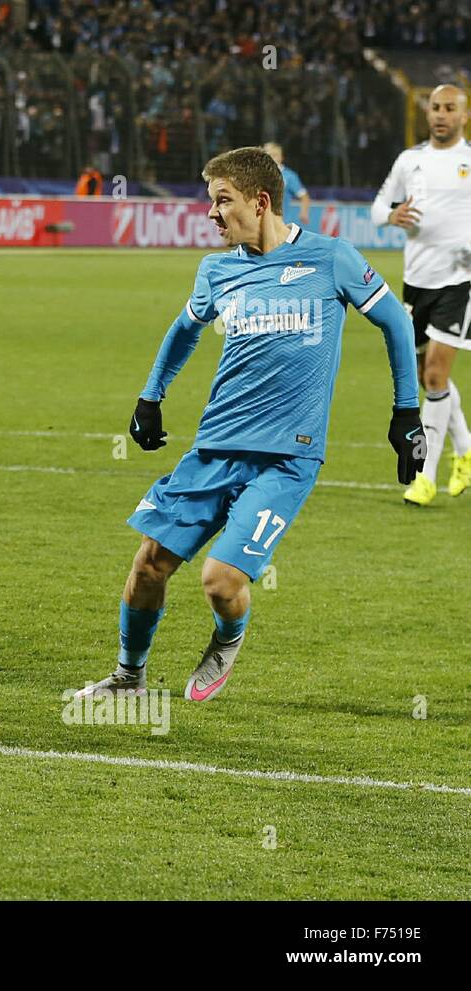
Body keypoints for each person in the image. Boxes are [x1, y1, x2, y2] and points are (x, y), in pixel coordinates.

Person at [78, 147, 422, 702]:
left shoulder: (331, 258)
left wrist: (407, 412)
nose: (211, 214)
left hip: (286, 458)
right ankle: (127, 679)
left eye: (222, 201)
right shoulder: (217, 268)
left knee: (220, 581)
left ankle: (227, 636)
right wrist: (151, 397)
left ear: (260, 202)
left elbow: (395, 323)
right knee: (148, 566)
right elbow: (183, 330)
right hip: (215, 448)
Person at [371, 83, 471, 505]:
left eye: (450, 108)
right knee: (431, 378)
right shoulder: (409, 161)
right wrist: (391, 214)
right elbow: (377, 210)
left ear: (464, 116)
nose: (441, 115)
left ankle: (425, 475)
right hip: (417, 283)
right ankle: (465, 451)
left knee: (433, 375)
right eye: (434, 107)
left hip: (461, 282)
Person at [263, 142, 311, 227]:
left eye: (274, 155)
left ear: (281, 157)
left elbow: (304, 196)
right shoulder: (258, 175)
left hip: (281, 223)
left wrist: (303, 212)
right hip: (261, 223)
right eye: (268, 155)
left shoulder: (289, 176)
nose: (271, 158)